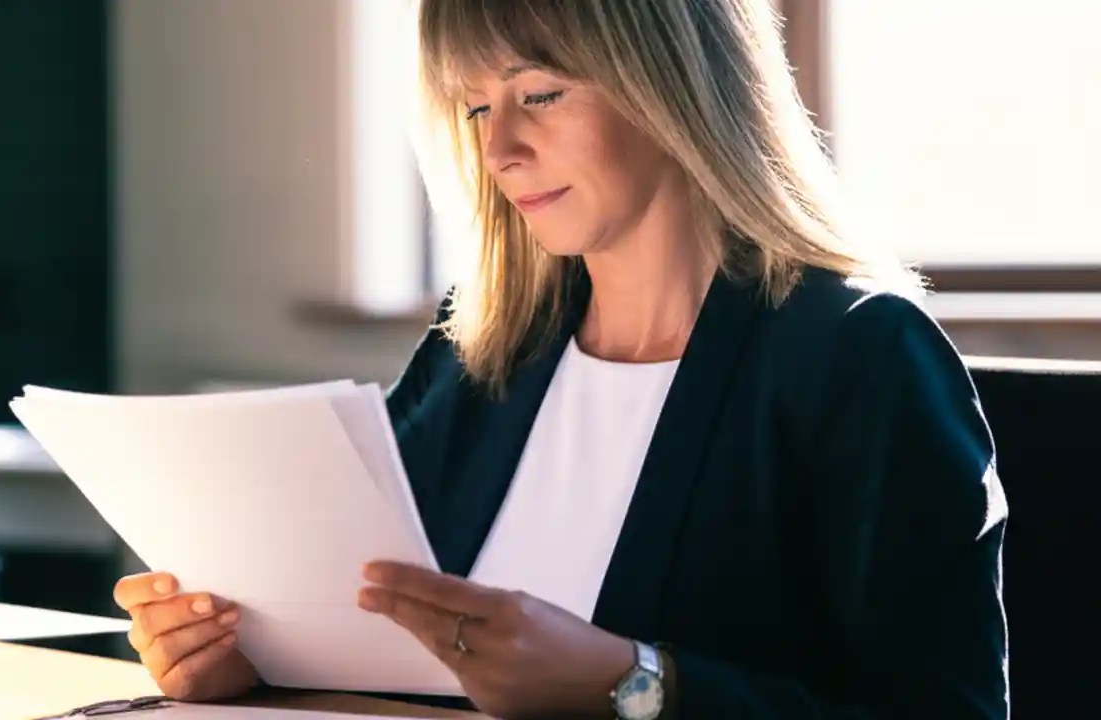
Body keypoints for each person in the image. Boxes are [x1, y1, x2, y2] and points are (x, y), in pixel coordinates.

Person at [113, 1, 1009, 717]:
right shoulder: (480, 353)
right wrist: (245, 663)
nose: (498, 148)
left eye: (538, 92)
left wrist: (634, 686)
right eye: (474, 105)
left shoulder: (860, 357)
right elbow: (377, 654)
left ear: (677, 86)